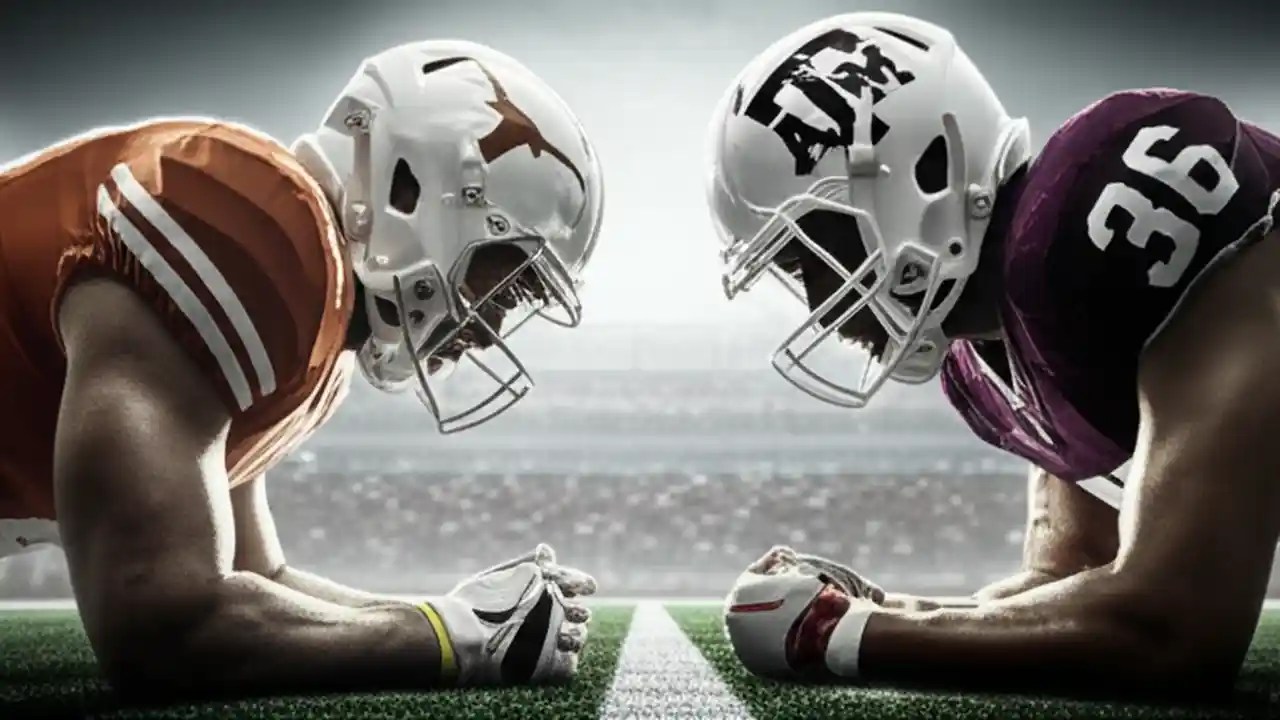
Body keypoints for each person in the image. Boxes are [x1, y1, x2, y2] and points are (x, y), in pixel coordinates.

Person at [0, 39, 604, 699]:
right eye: (502, 280)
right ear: (416, 193)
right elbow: (162, 627)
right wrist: (449, 637)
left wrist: (449, 617)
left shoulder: (316, 327)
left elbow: (253, 578)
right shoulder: (256, 231)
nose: (489, 328)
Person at [707, 11, 1280, 695]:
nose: (818, 299)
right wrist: (880, 607)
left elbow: (1173, 625)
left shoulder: (1090, 229)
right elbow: (1064, 587)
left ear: (922, 176)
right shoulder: (991, 352)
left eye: (815, 255)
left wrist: (839, 635)